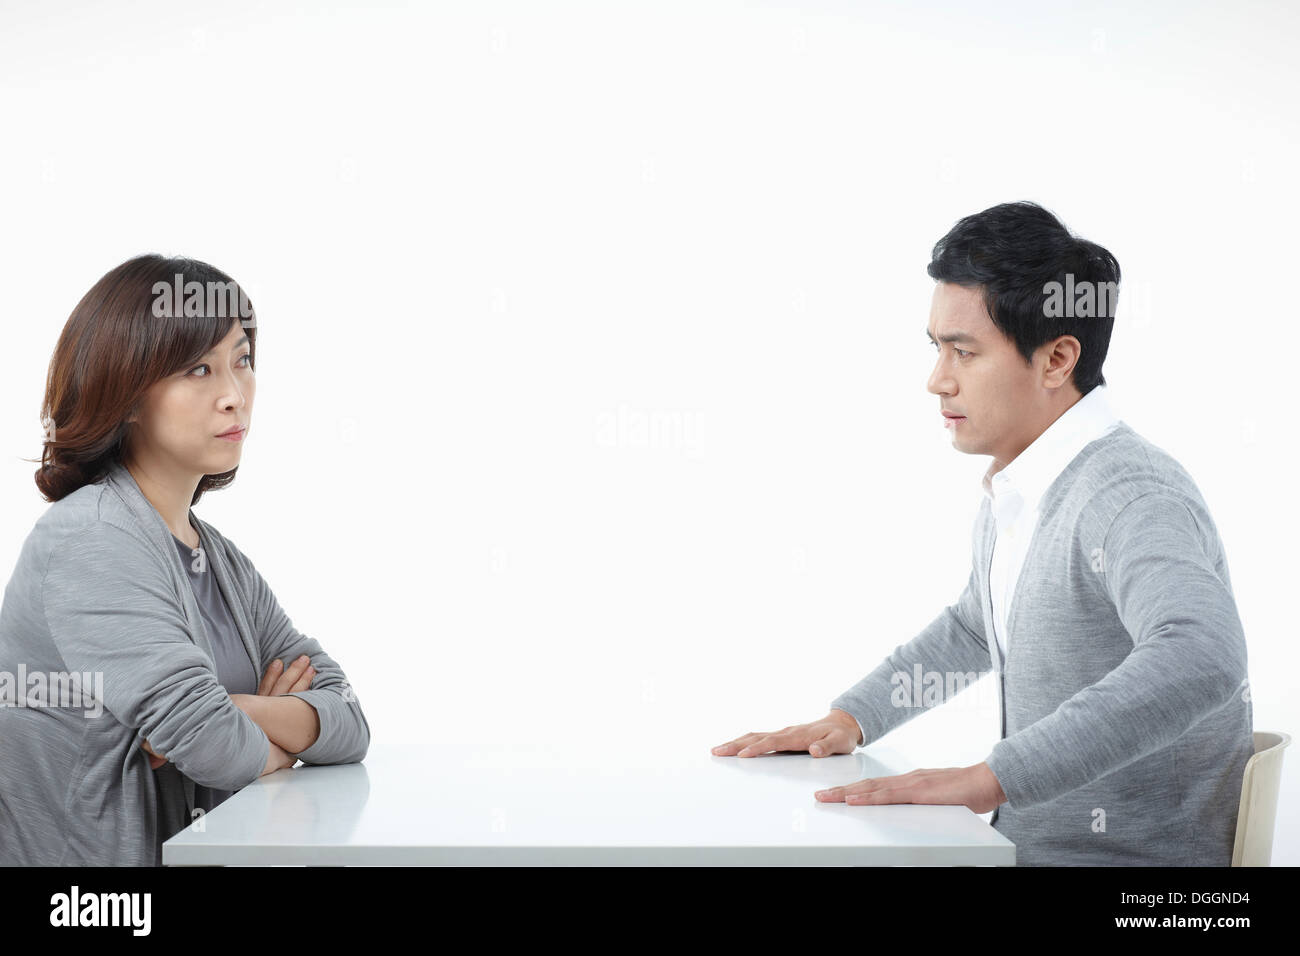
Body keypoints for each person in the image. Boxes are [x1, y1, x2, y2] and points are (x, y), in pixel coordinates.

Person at [712, 201, 1254, 866]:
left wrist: (995, 776)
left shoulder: (1127, 494)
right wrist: (852, 719)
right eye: (937, 348)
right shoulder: (1028, 483)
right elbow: (977, 627)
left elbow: (1204, 653)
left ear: (1057, 359)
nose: (937, 379)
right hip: (1017, 850)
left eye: (964, 351)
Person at [0, 254, 370, 865]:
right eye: (199, 369)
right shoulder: (88, 540)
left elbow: (349, 720)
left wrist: (239, 708)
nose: (234, 396)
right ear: (125, 396)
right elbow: (210, 745)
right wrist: (261, 734)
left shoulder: (218, 561)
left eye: (242, 362)